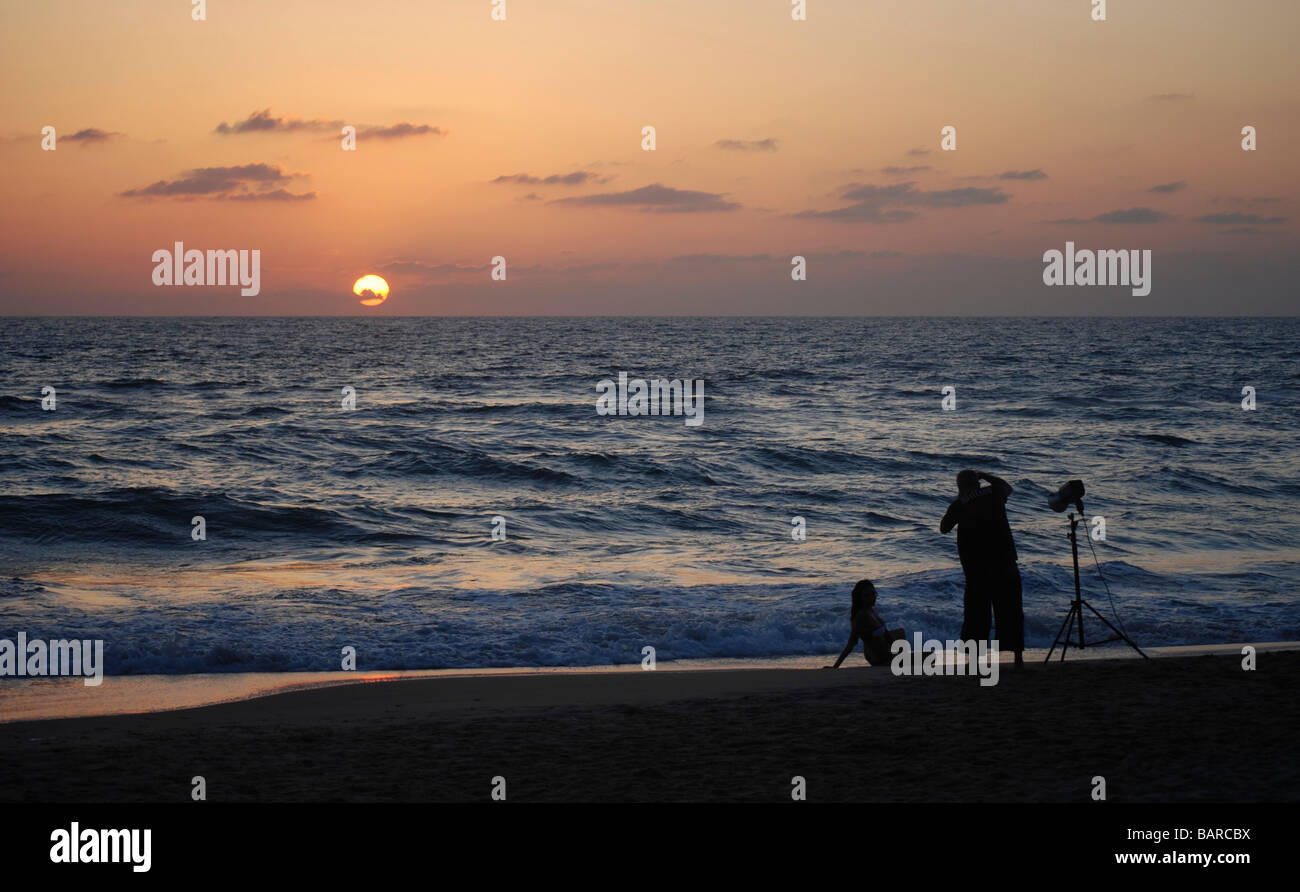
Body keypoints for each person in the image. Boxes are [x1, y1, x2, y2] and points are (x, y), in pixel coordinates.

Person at [940, 470, 1025, 668]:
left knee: (976, 615)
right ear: (977, 482)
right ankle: (1017, 658)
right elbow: (1007, 487)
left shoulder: (959, 504)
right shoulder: (994, 492)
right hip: (1005, 563)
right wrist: (985, 475)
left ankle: (974, 661)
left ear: (960, 486)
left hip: (977, 568)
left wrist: (960, 502)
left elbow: (944, 528)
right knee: (1011, 611)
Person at [826, 579, 905, 668]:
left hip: (889, 655)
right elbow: (851, 643)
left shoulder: (871, 610)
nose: (872, 597)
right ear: (859, 598)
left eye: (873, 594)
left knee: (901, 632)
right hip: (880, 660)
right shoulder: (861, 616)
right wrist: (835, 666)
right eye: (866, 595)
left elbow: (887, 635)